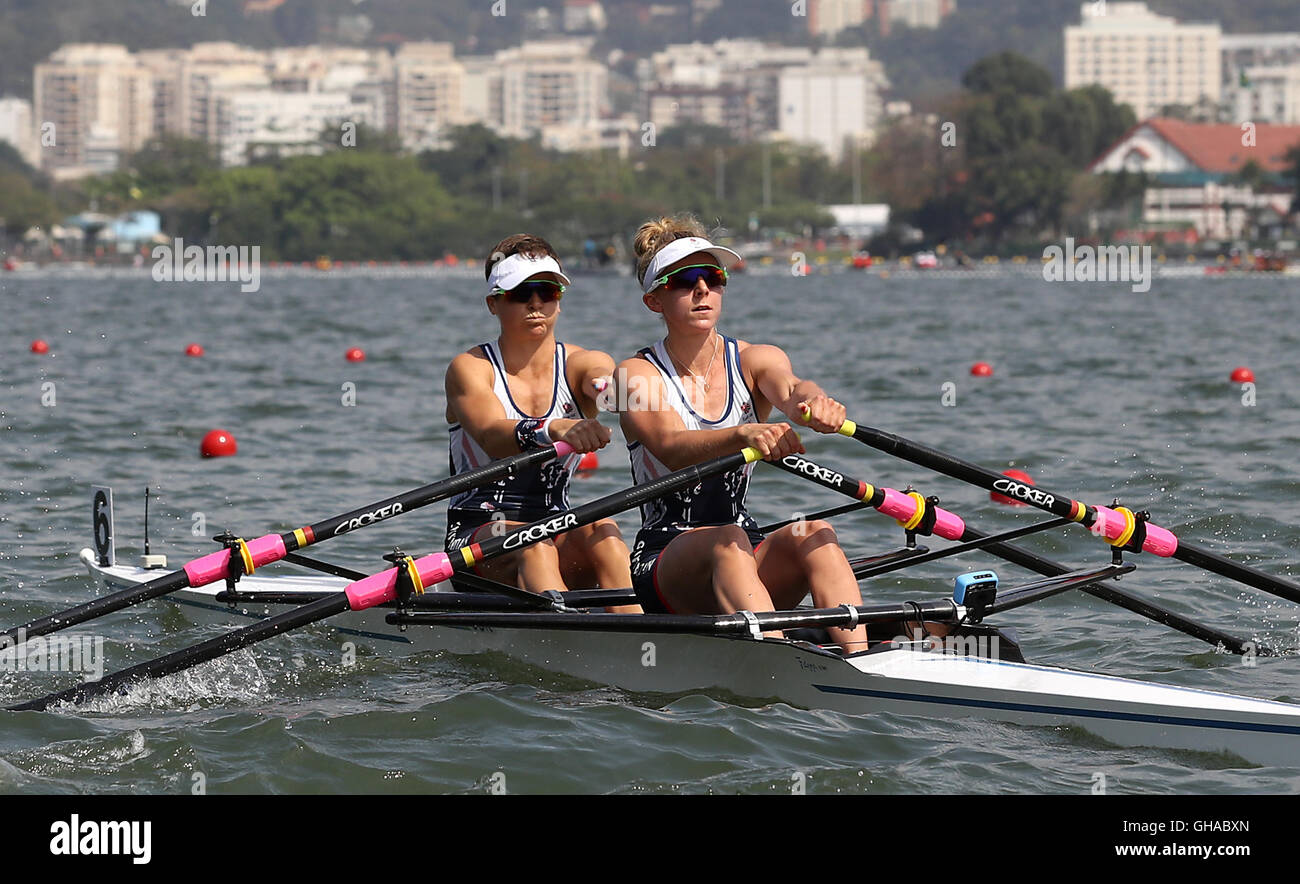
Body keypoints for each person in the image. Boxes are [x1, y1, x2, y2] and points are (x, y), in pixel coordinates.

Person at [615, 215, 868, 651]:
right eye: (683, 281)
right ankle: (781, 660)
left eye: (713, 278)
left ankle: (862, 663)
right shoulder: (633, 376)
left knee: (815, 533)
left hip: (742, 550)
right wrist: (742, 436)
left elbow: (792, 389)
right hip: (666, 560)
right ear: (654, 301)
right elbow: (671, 448)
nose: (702, 291)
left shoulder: (755, 358)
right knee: (727, 541)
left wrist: (816, 404)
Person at [445, 234, 640, 611]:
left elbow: (608, 385)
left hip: (555, 526)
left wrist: (609, 390)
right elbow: (490, 436)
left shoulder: (581, 362)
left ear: (558, 301)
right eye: (520, 293)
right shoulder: (470, 369)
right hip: (476, 537)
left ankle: (642, 639)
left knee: (605, 532)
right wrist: (554, 428)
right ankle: (566, 643)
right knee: (532, 544)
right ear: (493, 303)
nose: (536, 303)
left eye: (547, 291)